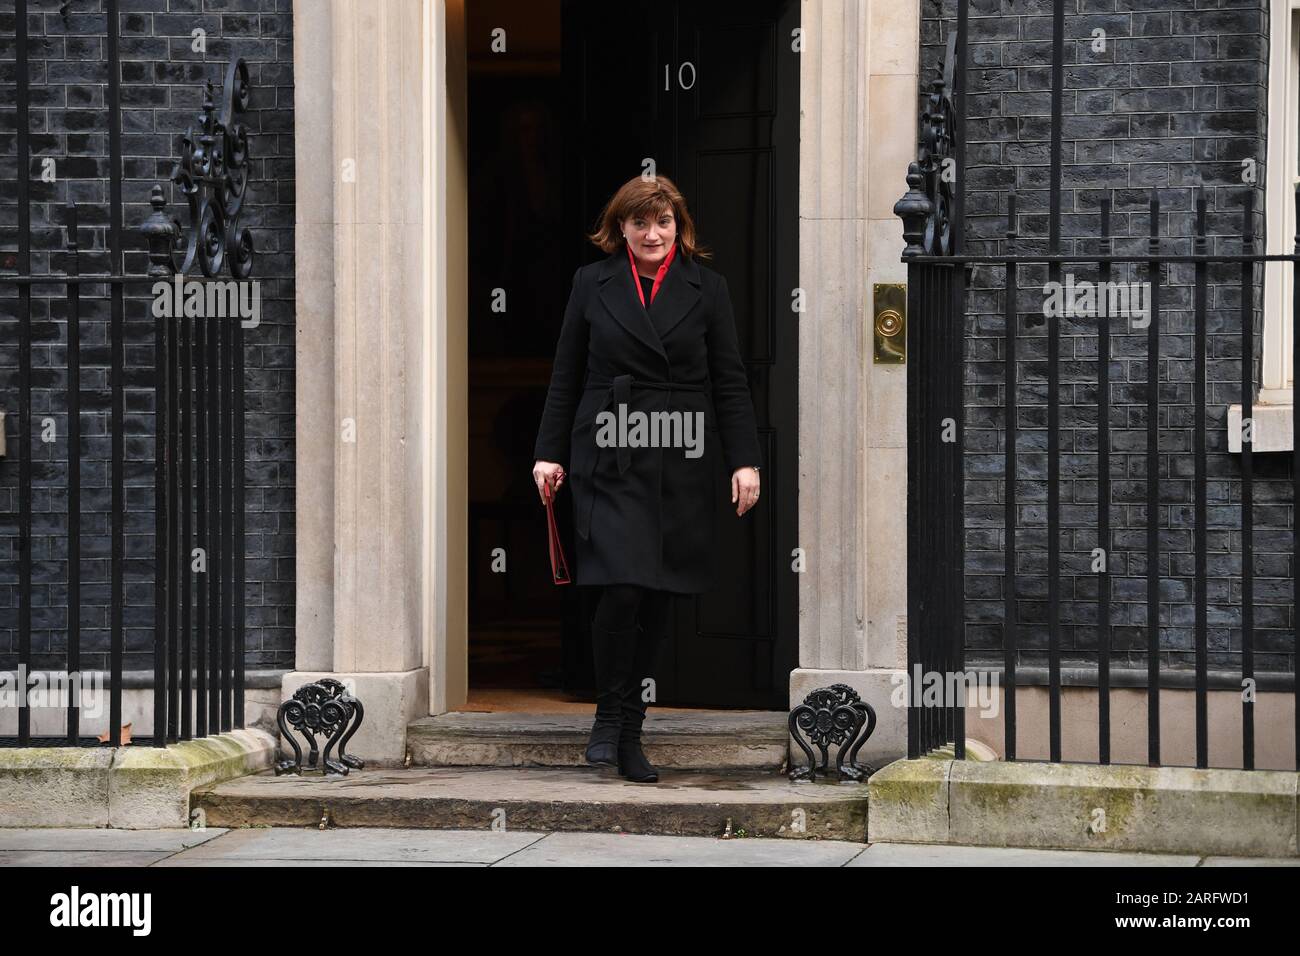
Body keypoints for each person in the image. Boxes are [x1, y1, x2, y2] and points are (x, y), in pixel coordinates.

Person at [531, 174, 762, 783]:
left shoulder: (707, 289)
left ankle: (629, 729)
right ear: (621, 228)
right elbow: (566, 373)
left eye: (662, 222)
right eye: (640, 222)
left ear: (678, 227)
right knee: (621, 584)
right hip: (609, 448)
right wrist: (547, 453)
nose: (652, 233)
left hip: (681, 450)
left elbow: (730, 380)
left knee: (657, 591)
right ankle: (611, 710)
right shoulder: (591, 282)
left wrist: (744, 460)